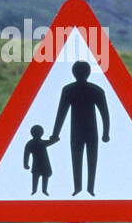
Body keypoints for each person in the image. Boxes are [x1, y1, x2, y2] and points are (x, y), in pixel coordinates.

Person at [47, 60, 110, 195]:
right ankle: (81, 188)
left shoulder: (79, 90)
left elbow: (104, 112)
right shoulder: (89, 90)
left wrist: (106, 132)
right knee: (83, 158)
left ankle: (88, 188)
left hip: (83, 131)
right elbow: (62, 112)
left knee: (84, 158)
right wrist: (105, 132)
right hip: (83, 131)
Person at [23, 124, 53, 195]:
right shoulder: (32, 143)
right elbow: (26, 155)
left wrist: (55, 138)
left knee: (44, 175)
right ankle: (35, 190)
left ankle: (43, 190)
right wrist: (25, 164)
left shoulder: (36, 143)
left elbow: (51, 142)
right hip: (38, 163)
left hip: (43, 163)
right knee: (36, 176)